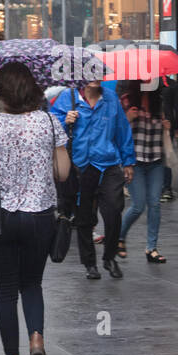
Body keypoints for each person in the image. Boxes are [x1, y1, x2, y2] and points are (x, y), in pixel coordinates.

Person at [0, 64, 70, 355]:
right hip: (40, 216)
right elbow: (63, 173)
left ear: (3, 93)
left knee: (5, 291)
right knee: (32, 284)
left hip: (2, 218)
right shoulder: (49, 122)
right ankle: (36, 341)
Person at [50, 78, 135, 280]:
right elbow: (51, 129)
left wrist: (128, 161)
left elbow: (122, 130)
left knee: (114, 211)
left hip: (108, 163)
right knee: (84, 218)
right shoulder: (67, 98)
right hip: (80, 165)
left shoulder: (110, 98)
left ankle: (109, 257)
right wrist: (64, 121)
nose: (95, 77)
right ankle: (89, 263)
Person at [118, 85, 169, 263]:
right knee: (138, 205)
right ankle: (119, 236)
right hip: (134, 161)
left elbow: (165, 128)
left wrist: (167, 127)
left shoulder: (158, 102)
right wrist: (127, 118)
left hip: (156, 159)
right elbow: (117, 130)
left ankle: (151, 248)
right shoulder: (127, 100)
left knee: (155, 204)